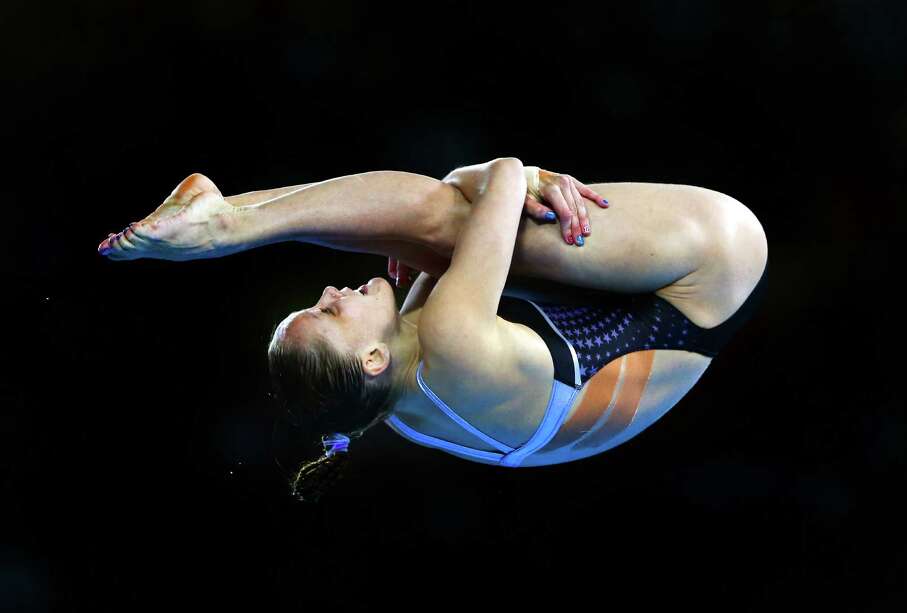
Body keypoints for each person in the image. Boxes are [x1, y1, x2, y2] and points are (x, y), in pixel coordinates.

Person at [97, 158, 768, 503]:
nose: (330, 290)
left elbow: (466, 236)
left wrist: (448, 245)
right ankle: (223, 227)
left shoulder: (390, 398)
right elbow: (499, 175)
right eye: (329, 312)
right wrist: (512, 180)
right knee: (443, 214)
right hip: (709, 269)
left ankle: (225, 218)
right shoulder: (448, 336)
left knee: (445, 227)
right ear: (368, 358)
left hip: (620, 322)